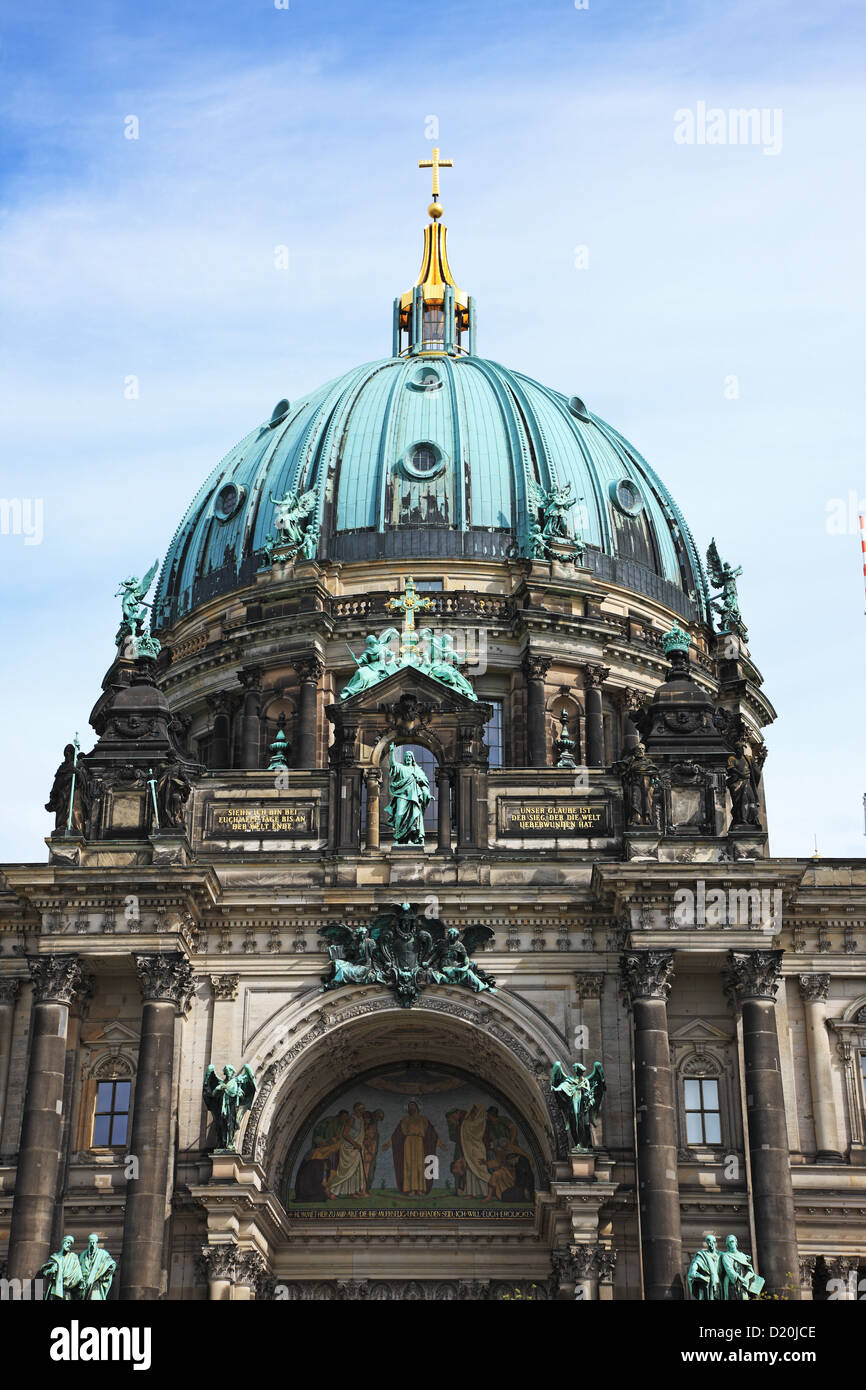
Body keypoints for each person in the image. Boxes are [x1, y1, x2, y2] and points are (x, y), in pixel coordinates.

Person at [385, 746, 430, 845]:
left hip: (414, 797)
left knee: (413, 817)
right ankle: (399, 838)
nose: (408, 758)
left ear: (412, 758)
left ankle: (410, 839)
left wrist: (427, 794)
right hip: (402, 796)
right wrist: (392, 752)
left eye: (410, 756)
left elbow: (424, 783)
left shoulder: (417, 770)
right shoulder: (401, 768)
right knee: (399, 815)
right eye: (406, 756)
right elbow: (393, 764)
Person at [40, 1235, 83, 1300]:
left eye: (70, 1243)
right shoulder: (55, 1257)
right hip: (55, 1289)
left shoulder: (73, 1258)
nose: (69, 1245)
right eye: (67, 1242)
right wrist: (51, 1270)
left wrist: (81, 1281)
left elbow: (78, 1274)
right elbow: (45, 1271)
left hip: (67, 1289)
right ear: (63, 1243)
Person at [78, 1233, 117, 1300]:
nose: (92, 1245)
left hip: (96, 1284)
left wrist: (104, 1274)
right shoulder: (83, 1255)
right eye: (91, 1243)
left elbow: (111, 1264)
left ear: (96, 1243)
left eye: (94, 1243)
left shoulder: (102, 1254)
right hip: (84, 1285)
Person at [687, 1234, 721, 1300]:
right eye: (708, 1241)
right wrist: (694, 1270)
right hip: (707, 1284)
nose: (711, 1243)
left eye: (712, 1242)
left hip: (719, 1283)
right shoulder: (702, 1255)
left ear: (715, 1242)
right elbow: (696, 1263)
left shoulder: (721, 1255)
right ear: (706, 1243)